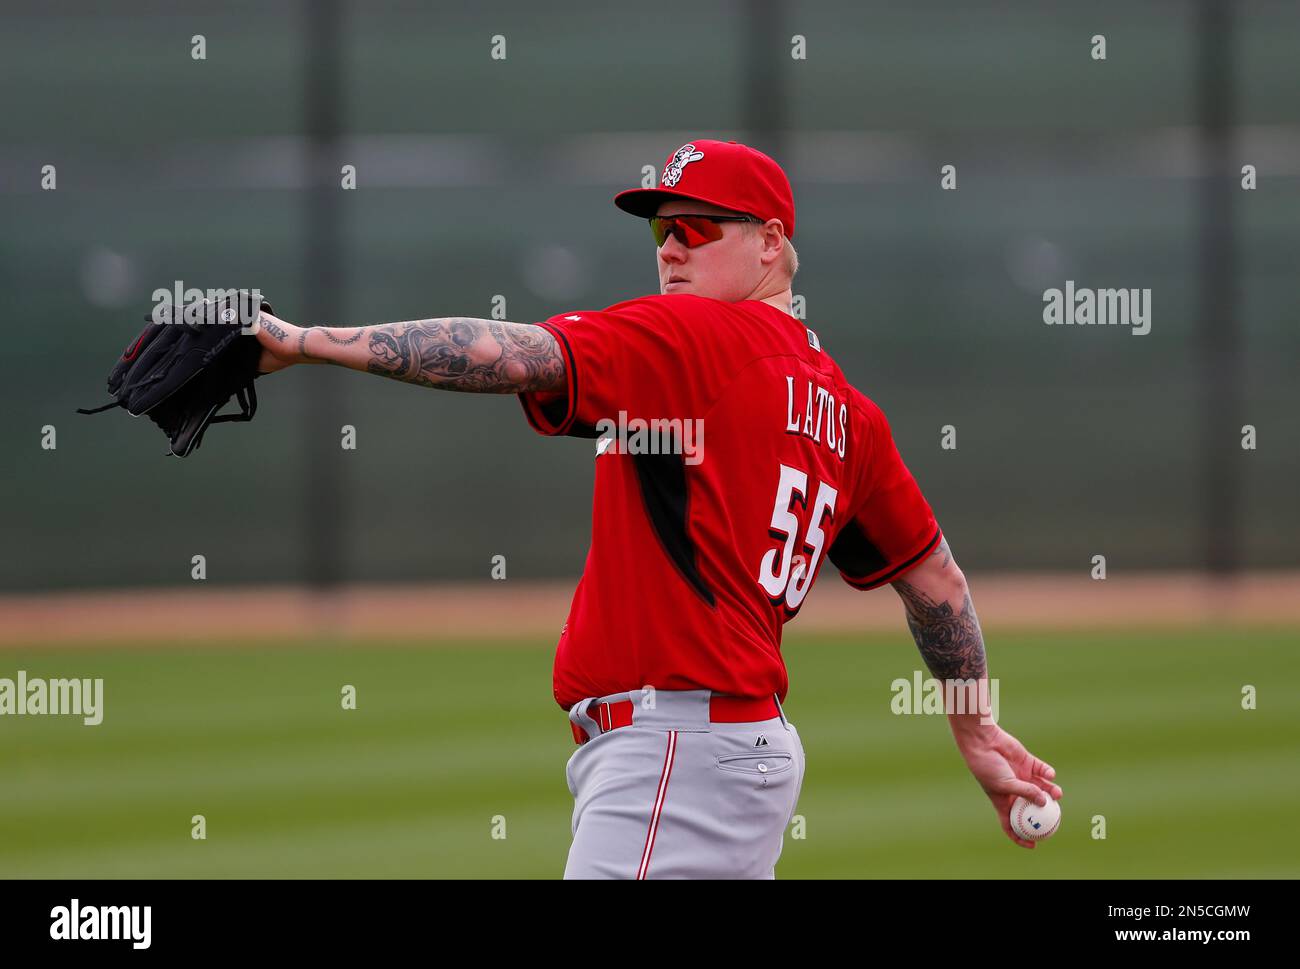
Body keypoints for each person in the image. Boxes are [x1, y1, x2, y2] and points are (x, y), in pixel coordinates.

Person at [253, 138, 1063, 879]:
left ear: (771, 243)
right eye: (661, 231)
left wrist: (304, 341)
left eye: (699, 227)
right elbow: (937, 580)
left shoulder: (696, 338)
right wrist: (974, 727)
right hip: (729, 752)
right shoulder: (849, 411)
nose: (671, 246)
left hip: (675, 754)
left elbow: (518, 354)